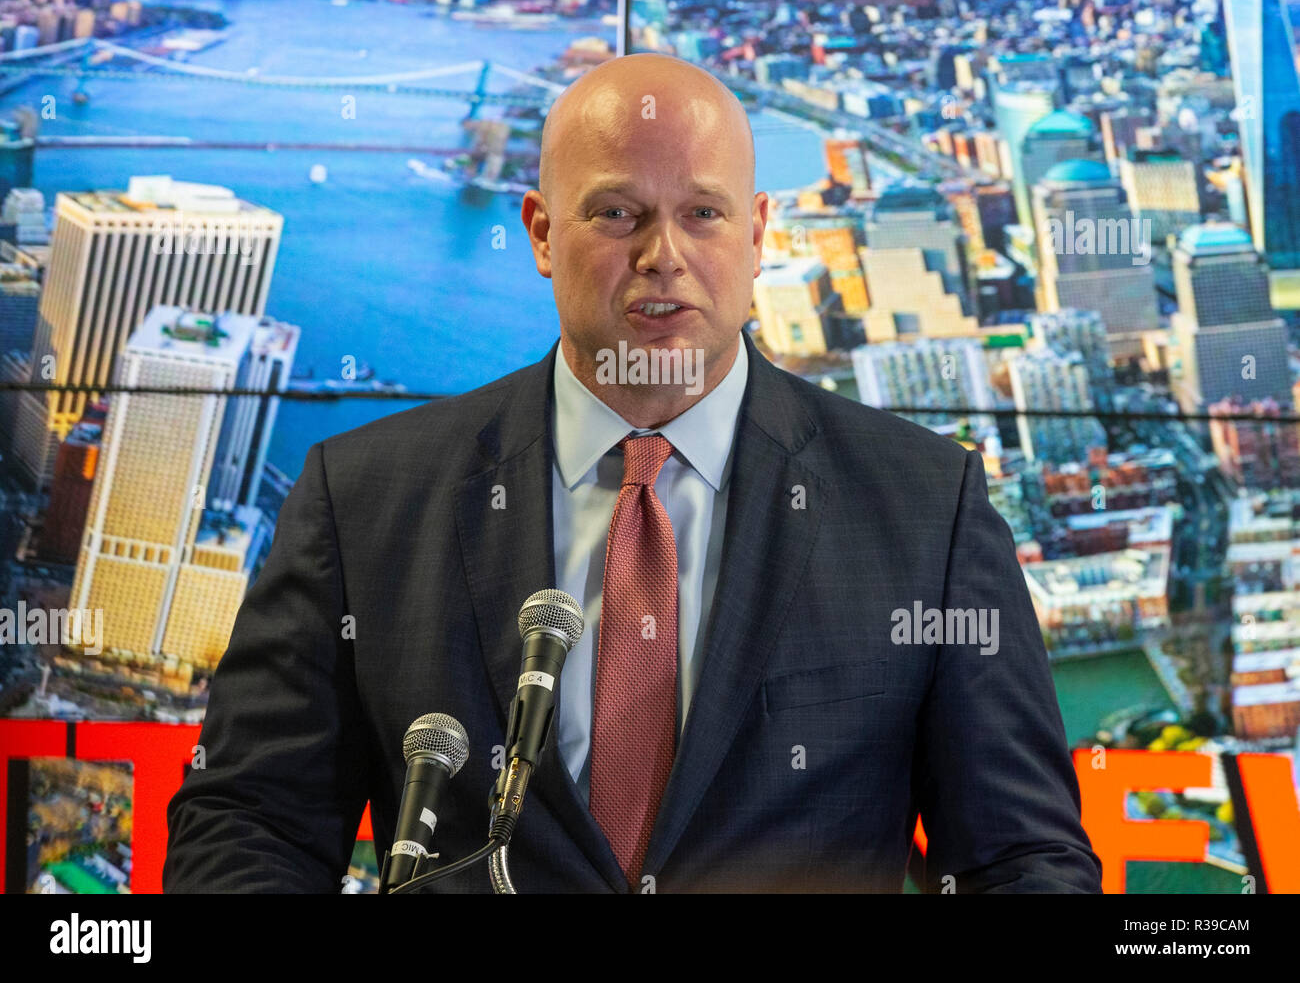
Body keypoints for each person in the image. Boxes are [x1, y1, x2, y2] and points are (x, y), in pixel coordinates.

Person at [164, 52, 1102, 893]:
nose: (664, 258)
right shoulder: (363, 498)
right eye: (617, 214)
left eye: (703, 214)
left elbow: (1023, 860)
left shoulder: (925, 507)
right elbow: (247, 826)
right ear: (538, 232)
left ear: (758, 232)